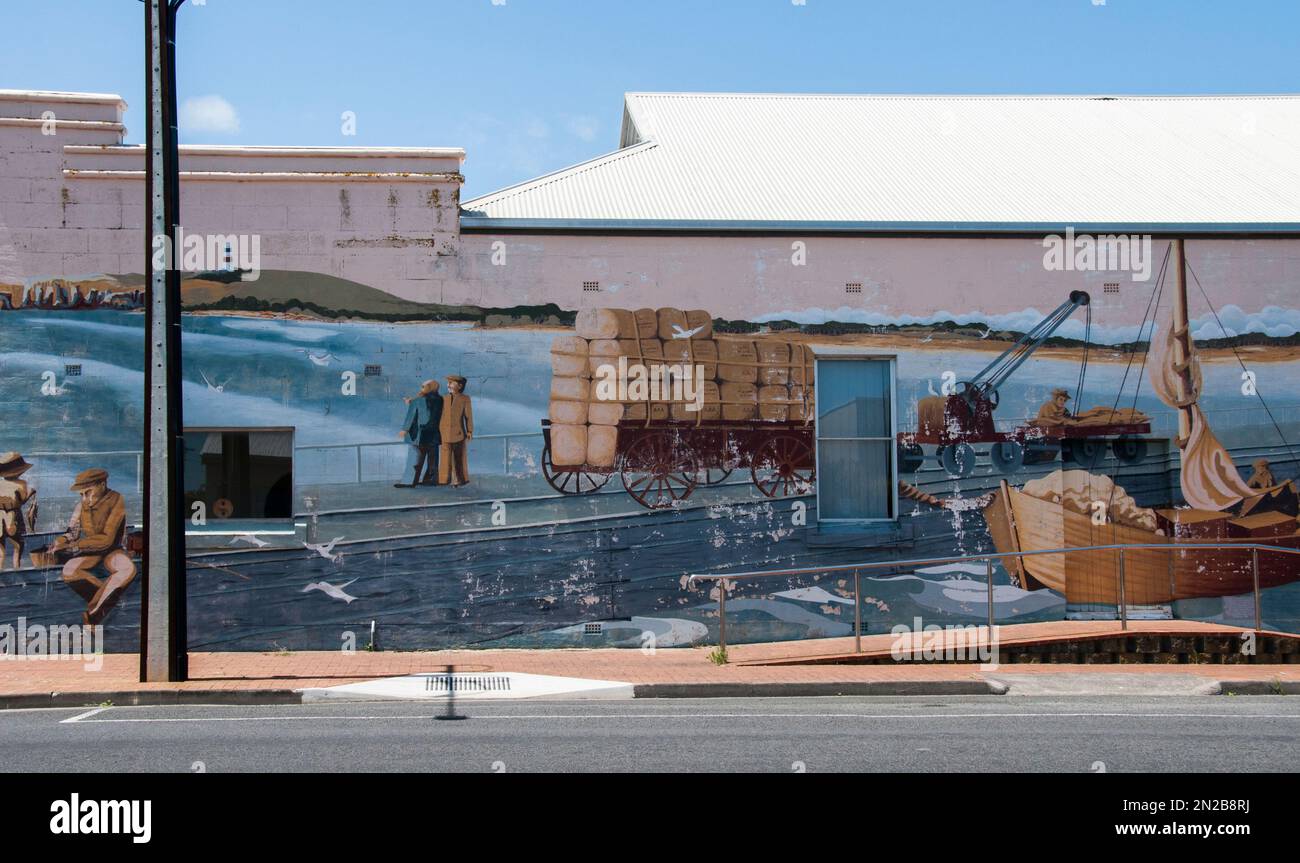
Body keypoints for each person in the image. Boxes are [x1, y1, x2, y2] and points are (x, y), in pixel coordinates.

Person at [53, 468, 136, 627]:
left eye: (88, 492)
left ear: (102, 485)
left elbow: (107, 540)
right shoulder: (81, 506)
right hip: (92, 550)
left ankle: (93, 614)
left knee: (127, 569)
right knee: (69, 570)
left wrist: (75, 546)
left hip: (113, 549)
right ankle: (108, 600)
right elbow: (72, 533)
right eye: (81, 494)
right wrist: (60, 541)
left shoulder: (117, 500)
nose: (85, 498)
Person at [396, 380, 444, 487]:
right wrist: (412, 400)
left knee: (416, 458)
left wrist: (404, 430)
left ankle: (410, 481)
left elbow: (411, 415)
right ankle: (431, 480)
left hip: (420, 434)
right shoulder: (440, 399)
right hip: (434, 434)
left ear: (429, 387)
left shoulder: (418, 400)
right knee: (432, 459)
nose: (421, 388)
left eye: (423, 386)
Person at [0, 452, 37, 570]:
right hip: (13, 517)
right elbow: (21, 501)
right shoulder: (21, 484)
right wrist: (31, 492)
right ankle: (17, 571)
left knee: (1, 551)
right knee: (17, 547)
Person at [438, 374, 474, 487]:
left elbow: (468, 416)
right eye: (448, 383)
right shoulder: (444, 398)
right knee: (444, 458)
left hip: (459, 433)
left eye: (451, 383)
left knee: (459, 458)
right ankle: (443, 480)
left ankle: (460, 479)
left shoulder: (465, 399)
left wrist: (469, 431)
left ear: (460, 385)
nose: (448, 385)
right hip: (444, 433)